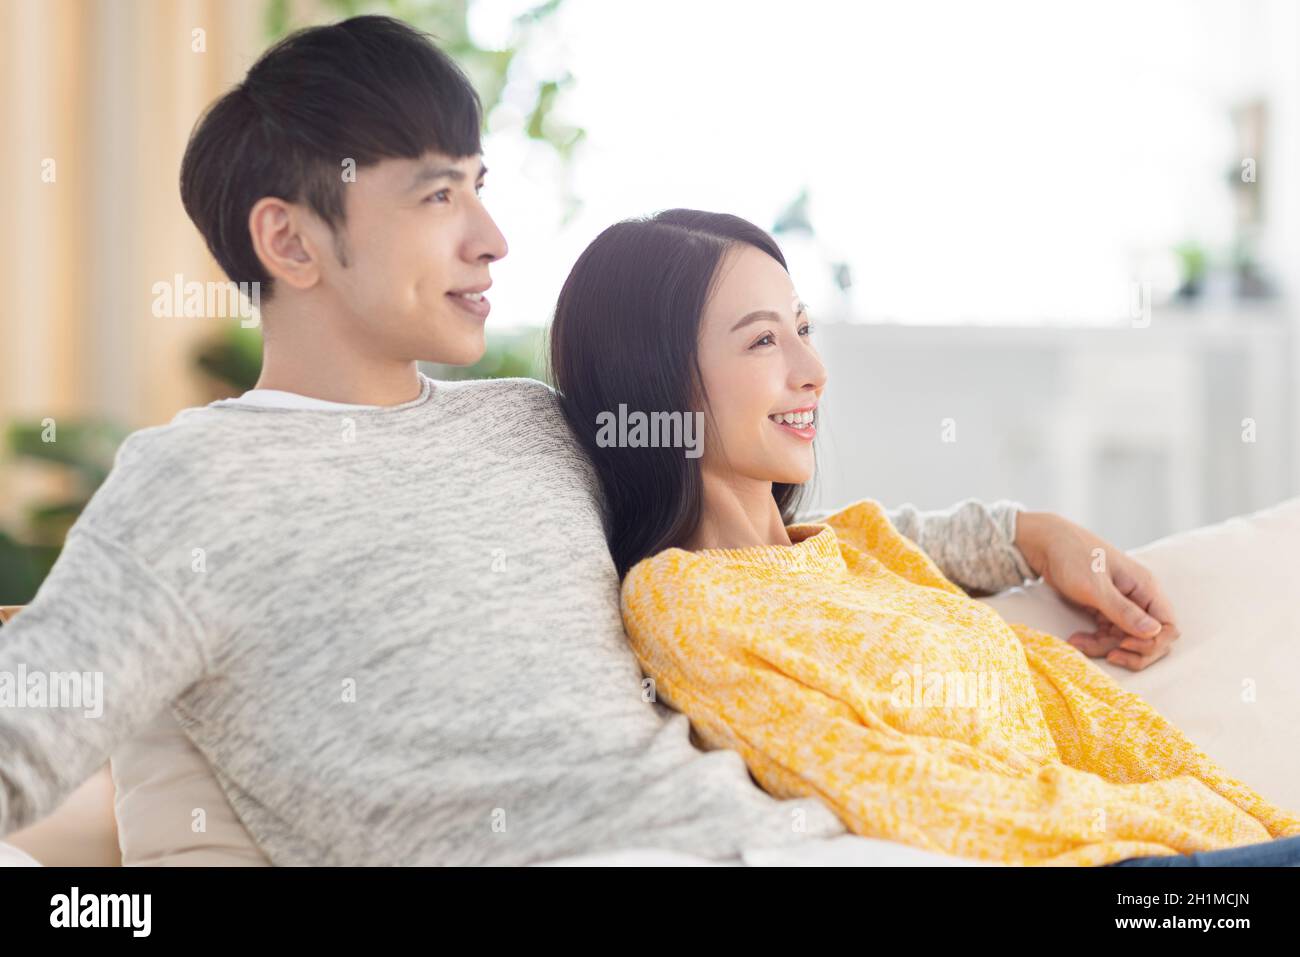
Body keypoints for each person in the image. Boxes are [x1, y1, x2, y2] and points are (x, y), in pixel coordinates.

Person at [0, 16, 1062, 867]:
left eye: (481, 186)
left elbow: (752, 538)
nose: (491, 239)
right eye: (436, 193)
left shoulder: (530, 425)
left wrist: (1015, 537)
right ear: (291, 238)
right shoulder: (192, 485)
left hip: (787, 843)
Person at [546, 208, 1300, 866]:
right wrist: (1190, 828)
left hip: (1210, 839)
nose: (813, 371)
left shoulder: (856, 543)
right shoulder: (683, 598)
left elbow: (1072, 715)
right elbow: (899, 792)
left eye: (803, 329)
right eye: (763, 341)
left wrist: (1240, 820)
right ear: (656, 383)